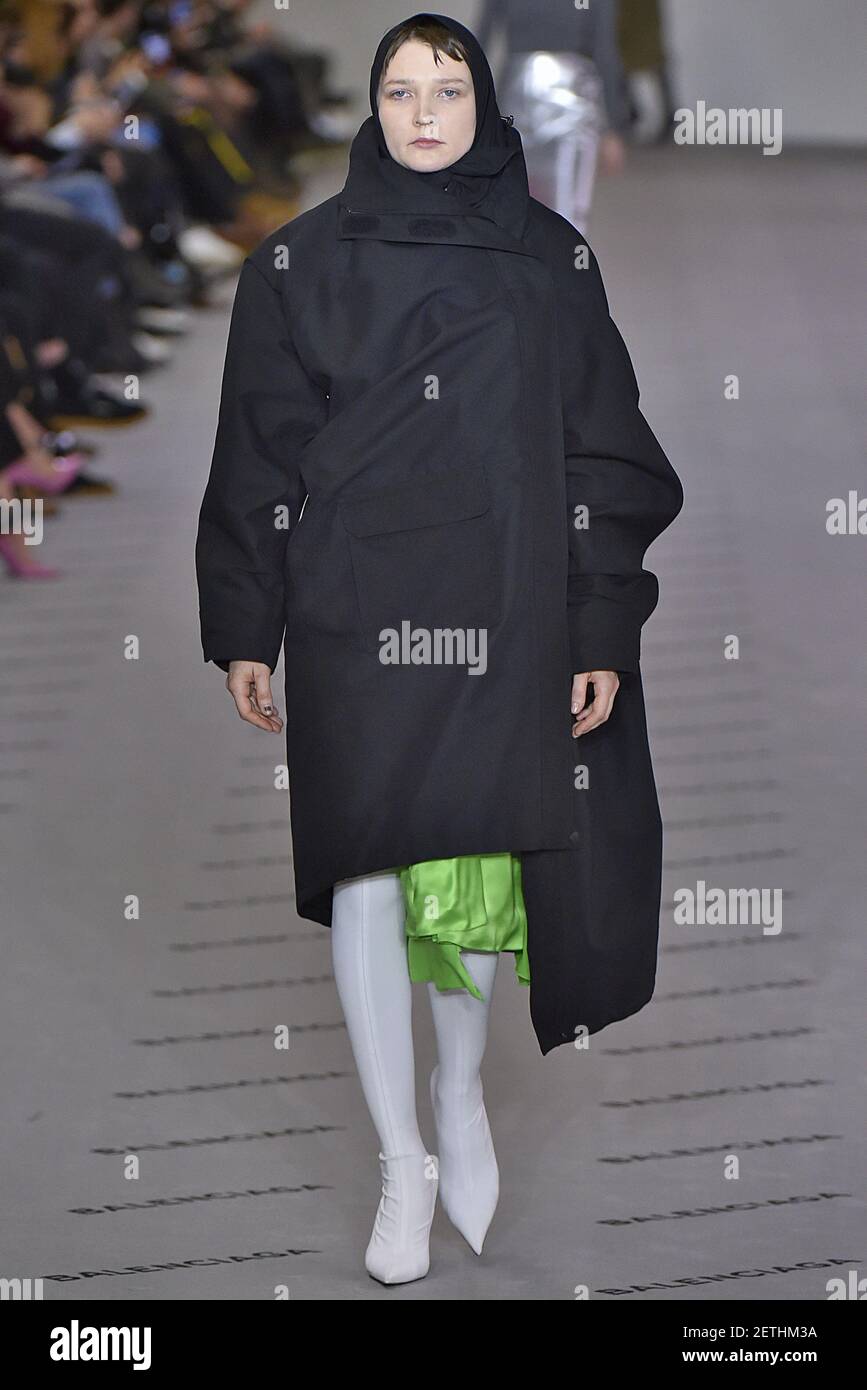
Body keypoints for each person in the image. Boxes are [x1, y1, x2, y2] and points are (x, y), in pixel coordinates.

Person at [195, 11, 683, 1286]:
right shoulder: (300, 265)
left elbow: (605, 455)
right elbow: (257, 451)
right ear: (373, 104)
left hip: (505, 606)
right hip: (352, 606)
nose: (421, 114)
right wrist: (247, 622)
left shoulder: (547, 258)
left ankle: (460, 1093)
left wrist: (597, 623)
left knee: (466, 877)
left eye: (447, 91)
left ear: (484, 107)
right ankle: (400, 1155)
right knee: (366, 868)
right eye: (400, 91)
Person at [475, 0, 631, 228]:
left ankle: (523, 260)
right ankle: (564, 261)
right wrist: (613, 128)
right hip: (572, 97)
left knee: (514, 205)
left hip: (518, 93)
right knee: (569, 210)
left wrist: (473, 107)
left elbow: (481, 41)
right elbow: (605, 49)